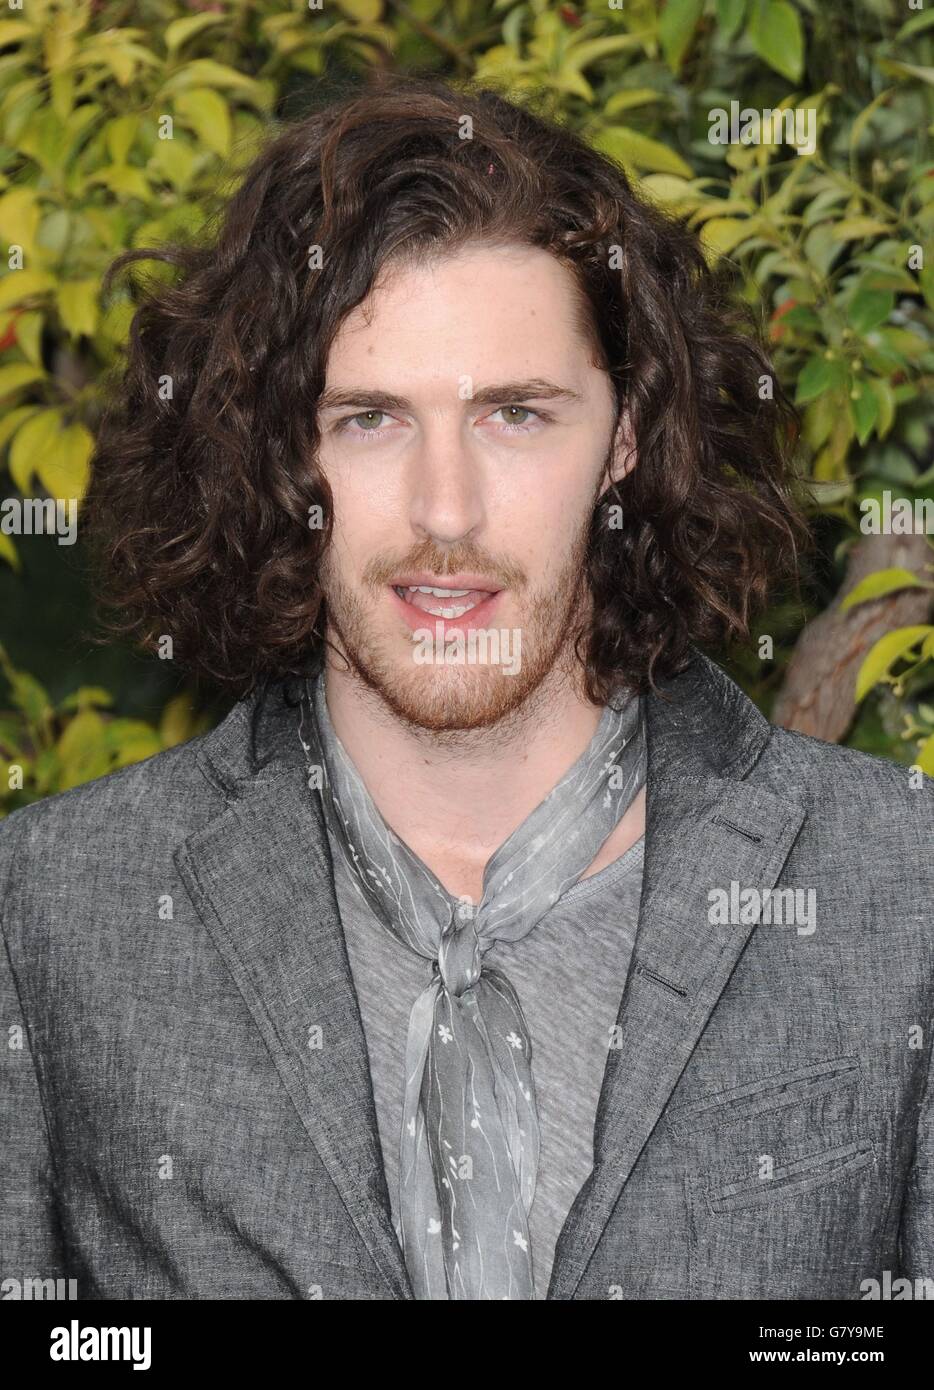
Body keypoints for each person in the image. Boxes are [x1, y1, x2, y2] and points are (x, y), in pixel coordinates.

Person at [1, 74, 931, 1302]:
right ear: (281, 451)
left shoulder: (901, 888)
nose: (447, 512)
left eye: (515, 414)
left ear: (626, 438)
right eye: (372, 419)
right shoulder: (54, 913)